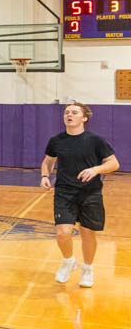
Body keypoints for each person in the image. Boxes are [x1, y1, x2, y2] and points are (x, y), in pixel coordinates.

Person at [40, 102, 118, 289]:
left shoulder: (95, 140)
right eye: (67, 112)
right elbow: (48, 162)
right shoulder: (56, 140)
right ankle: (68, 261)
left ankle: (87, 269)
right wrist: (44, 175)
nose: (69, 115)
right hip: (64, 192)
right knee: (62, 233)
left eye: (74, 112)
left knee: (88, 234)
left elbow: (114, 163)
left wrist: (96, 169)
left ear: (84, 118)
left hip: (90, 193)